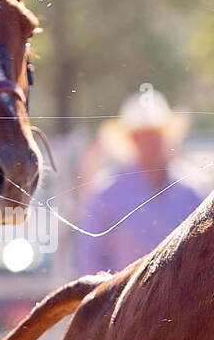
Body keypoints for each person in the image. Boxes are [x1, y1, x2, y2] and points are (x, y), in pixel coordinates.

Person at [76, 90, 203, 274]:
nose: (151, 141)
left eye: (155, 133)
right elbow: (89, 260)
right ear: (132, 140)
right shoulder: (106, 192)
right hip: (124, 300)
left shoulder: (192, 189)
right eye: (143, 135)